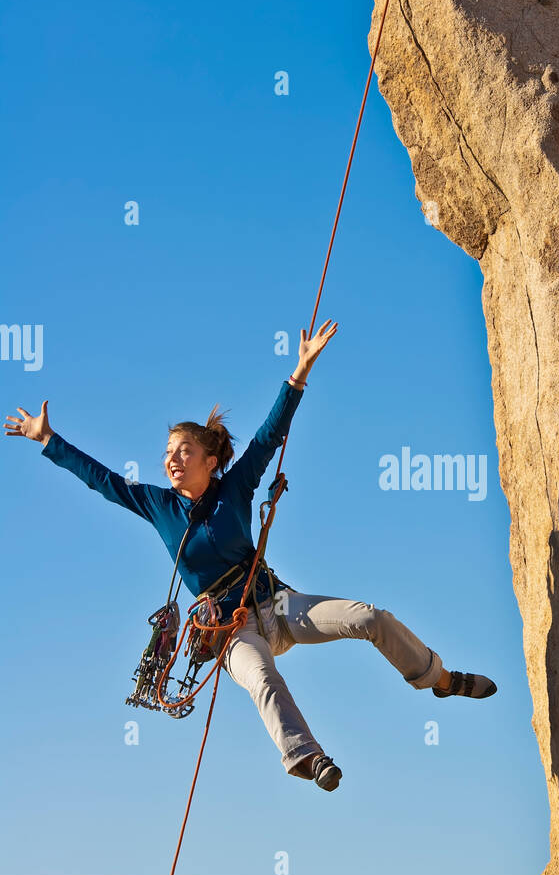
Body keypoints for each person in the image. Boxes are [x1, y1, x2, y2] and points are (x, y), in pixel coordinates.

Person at [5, 320, 497, 792]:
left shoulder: (233, 491)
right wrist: (48, 440)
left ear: (210, 460)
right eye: (168, 453)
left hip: (278, 604)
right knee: (261, 675)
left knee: (368, 616)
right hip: (229, 631)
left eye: (184, 450)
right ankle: (307, 756)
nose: (172, 459)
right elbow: (104, 481)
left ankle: (440, 678)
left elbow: (267, 438)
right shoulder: (159, 506)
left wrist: (298, 375)